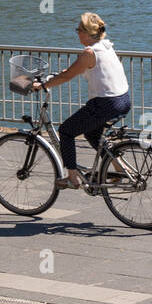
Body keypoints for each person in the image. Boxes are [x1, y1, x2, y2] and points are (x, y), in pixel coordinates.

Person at [34, 12, 131, 189]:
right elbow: (87, 70)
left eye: (78, 30)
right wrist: (63, 74)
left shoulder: (89, 53)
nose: (77, 33)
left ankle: (72, 177)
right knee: (92, 133)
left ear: (87, 33)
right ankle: (120, 168)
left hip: (105, 103)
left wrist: (42, 85)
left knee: (66, 131)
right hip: (123, 100)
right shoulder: (107, 47)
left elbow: (67, 76)